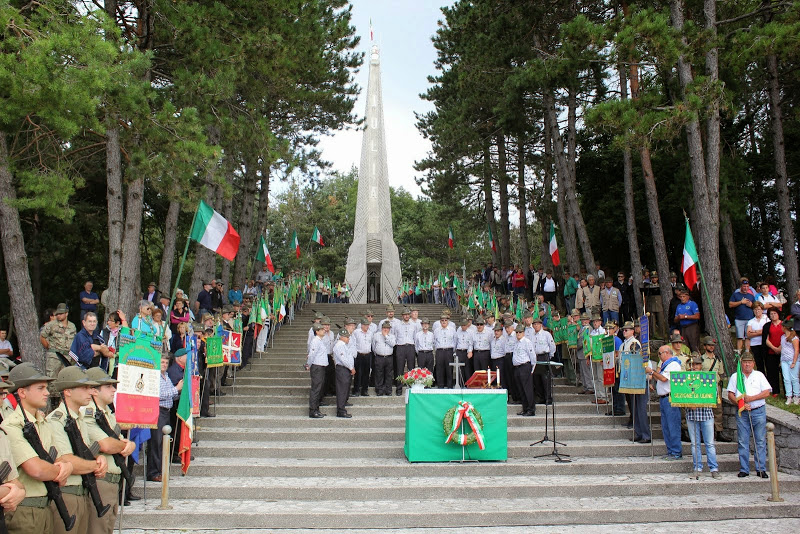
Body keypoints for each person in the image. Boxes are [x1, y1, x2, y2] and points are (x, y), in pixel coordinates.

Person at [3, 363, 73, 533]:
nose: (47, 393)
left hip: (45, 506)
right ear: (22, 392)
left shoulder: (42, 422)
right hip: (25, 511)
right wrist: (61, 471)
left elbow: (61, 459)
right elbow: (36, 469)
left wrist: (67, 466)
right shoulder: (12, 426)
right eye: (40, 388)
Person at [46, 367, 109, 534]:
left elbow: (86, 451)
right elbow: (67, 461)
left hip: (81, 492)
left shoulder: (78, 418)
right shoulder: (56, 420)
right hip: (66, 494)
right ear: (67, 391)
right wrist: (96, 465)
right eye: (84, 387)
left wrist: (98, 458)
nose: (90, 391)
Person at [82, 367, 136, 534]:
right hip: (99, 481)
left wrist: (129, 445)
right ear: (93, 390)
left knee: (107, 527)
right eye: (108, 386)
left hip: (112, 480)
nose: (114, 390)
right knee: (98, 528)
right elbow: (106, 445)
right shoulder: (87, 412)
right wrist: (124, 446)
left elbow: (121, 441)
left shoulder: (107, 413)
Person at [726, 351, 771, 478]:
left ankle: (761, 468)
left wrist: (752, 399)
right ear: (741, 363)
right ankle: (744, 468)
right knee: (742, 441)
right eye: (745, 362)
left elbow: (767, 392)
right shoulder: (736, 376)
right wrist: (739, 404)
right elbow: (730, 394)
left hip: (758, 410)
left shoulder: (759, 375)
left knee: (760, 440)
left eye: (749, 362)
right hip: (743, 412)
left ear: (753, 363)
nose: (747, 365)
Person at [148, 354, 182, 481]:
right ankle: (153, 472)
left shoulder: (166, 376)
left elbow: (170, 395)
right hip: (158, 411)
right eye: (162, 362)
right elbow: (159, 395)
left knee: (163, 443)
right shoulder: (155, 377)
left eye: (166, 363)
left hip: (166, 411)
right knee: (156, 442)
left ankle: (161, 471)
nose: (164, 365)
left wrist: (179, 392)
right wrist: (176, 389)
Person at [686, 353, 720, 479]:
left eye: (697, 364)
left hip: (706, 413)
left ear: (701, 365)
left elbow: (713, 395)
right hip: (692, 415)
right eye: (693, 364)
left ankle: (714, 468)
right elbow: (682, 395)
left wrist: (699, 403)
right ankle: (697, 467)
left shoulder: (708, 378)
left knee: (709, 443)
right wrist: (689, 405)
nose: (695, 367)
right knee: (695, 444)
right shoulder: (686, 379)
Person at [647, 345, 683, 460]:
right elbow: (659, 378)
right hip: (663, 398)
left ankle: (676, 451)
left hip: (670, 398)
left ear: (667, 353)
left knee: (673, 426)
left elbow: (664, 379)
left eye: (660, 353)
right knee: (666, 427)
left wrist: (652, 371)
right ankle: (670, 450)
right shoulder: (665, 365)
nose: (659, 356)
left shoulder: (674, 364)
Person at [40, 303, 77, 402]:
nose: (58, 315)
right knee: (52, 380)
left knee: (65, 379)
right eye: (57, 314)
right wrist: (48, 347)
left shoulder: (72, 326)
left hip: (67, 356)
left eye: (61, 313)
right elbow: (42, 336)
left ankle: (63, 402)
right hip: (54, 355)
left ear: (66, 314)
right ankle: (53, 403)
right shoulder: (51, 325)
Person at [621, 322, 650, 443]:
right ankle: (638, 432)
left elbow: (636, 360)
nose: (624, 332)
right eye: (624, 330)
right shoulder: (624, 344)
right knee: (635, 408)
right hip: (629, 379)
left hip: (637, 378)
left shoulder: (634, 343)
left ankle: (645, 434)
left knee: (641, 409)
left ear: (633, 331)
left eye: (627, 330)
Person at [529, 316, 556, 407]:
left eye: (537, 324)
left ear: (541, 325)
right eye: (534, 324)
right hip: (535, 357)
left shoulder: (546, 334)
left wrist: (550, 356)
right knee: (536, 378)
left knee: (545, 378)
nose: (536, 326)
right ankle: (541, 397)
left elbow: (552, 345)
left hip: (544, 356)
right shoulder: (532, 336)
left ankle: (548, 397)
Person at [511, 324, 537, 416]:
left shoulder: (527, 342)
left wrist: (532, 368)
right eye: (517, 332)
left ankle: (531, 409)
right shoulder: (516, 342)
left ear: (523, 333)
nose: (518, 334)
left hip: (525, 366)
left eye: (520, 332)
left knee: (527, 389)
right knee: (521, 390)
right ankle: (525, 408)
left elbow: (532, 356)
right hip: (517, 367)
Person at [332, 329, 355, 418]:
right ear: (341, 337)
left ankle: (342, 407)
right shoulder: (339, 345)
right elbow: (343, 359)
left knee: (345, 389)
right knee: (342, 390)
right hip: (342, 369)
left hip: (345, 369)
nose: (348, 338)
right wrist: (351, 367)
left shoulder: (344, 345)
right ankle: (341, 410)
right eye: (346, 337)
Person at [394, 308, 417, 396]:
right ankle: (399, 388)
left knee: (411, 368)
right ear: (402, 316)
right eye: (405, 315)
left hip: (410, 346)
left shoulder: (413, 325)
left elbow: (415, 337)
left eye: (408, 314)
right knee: (400, 368)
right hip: (400, 347)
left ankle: (411, 386)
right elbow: (395, 336)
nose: (406, 316)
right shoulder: (397, 325)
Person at [729, 277, 756, 352]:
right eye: (744, 286)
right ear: (741, 286)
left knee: (748, 337)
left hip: (750, 319)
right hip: (739, 318)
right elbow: (730, 305)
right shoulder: (736, 295)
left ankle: (747, 352)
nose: (746, 288)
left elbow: (756, 307)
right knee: (739, 337)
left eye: (747, 286)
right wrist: (741, 302)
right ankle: (739, 352)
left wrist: (751, 305)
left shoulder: (751, 296)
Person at [762, 308, 784, 395]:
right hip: (771, 351)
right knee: (772, 372)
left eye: (775, 313)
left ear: (778, 314)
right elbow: (765, 339)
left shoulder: (784, 324)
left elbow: (788, 337)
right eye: (771, 314)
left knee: (784, 372)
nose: (773, 315)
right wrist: (774, 348)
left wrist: (780, 348)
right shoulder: (767, 326)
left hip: (784, 351)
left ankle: (787, 392)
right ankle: (775, 391)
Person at [371, 322, 396, 395]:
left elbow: (393, 344)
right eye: (384, 328)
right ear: (382, 328)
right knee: (379, 374)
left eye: (387, 328)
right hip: (379, 357)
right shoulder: (376, 335)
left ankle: (388, 390)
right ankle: (379, 390)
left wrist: (386, 336)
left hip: (389, 357)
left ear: (389, 329)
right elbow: (373, 346)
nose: (386, 330)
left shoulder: (392, 336)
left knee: (389, 374)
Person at [779, 319, 799, 404]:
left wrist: (794, 362)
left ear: (785, 327)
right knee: (786, 379)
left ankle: (796, 396)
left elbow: (796, 350)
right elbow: (782, 349)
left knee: (794, 378)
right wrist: (781, 360)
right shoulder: (783, 337)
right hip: (784, 360)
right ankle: (789, 396)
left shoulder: (794, 338)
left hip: (792, 360)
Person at [746, 301, 769, 371]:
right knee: (759, 364)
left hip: (765, 344)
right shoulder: (751, 321)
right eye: (755, 309)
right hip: (755, 345)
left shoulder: (766, 319)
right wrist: (761, 331)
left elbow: (767, 331)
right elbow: (748, 334)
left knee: (767, 363)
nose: (757, 311)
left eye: (758, 309)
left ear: (762, 310)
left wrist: (754, 331)